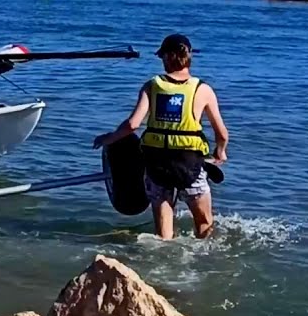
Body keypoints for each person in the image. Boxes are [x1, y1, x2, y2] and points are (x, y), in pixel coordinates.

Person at [93, 34, 229, 239]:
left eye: (162, 57)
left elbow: (132, 125)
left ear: (168, 56)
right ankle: (205, 265)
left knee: (163, 234)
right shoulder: (203, 90)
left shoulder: (152, 85)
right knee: (204, 224)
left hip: (157, 164)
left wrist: (109, 139)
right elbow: (222, 133)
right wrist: (220, 151)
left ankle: (163, 262)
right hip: (189, 164)